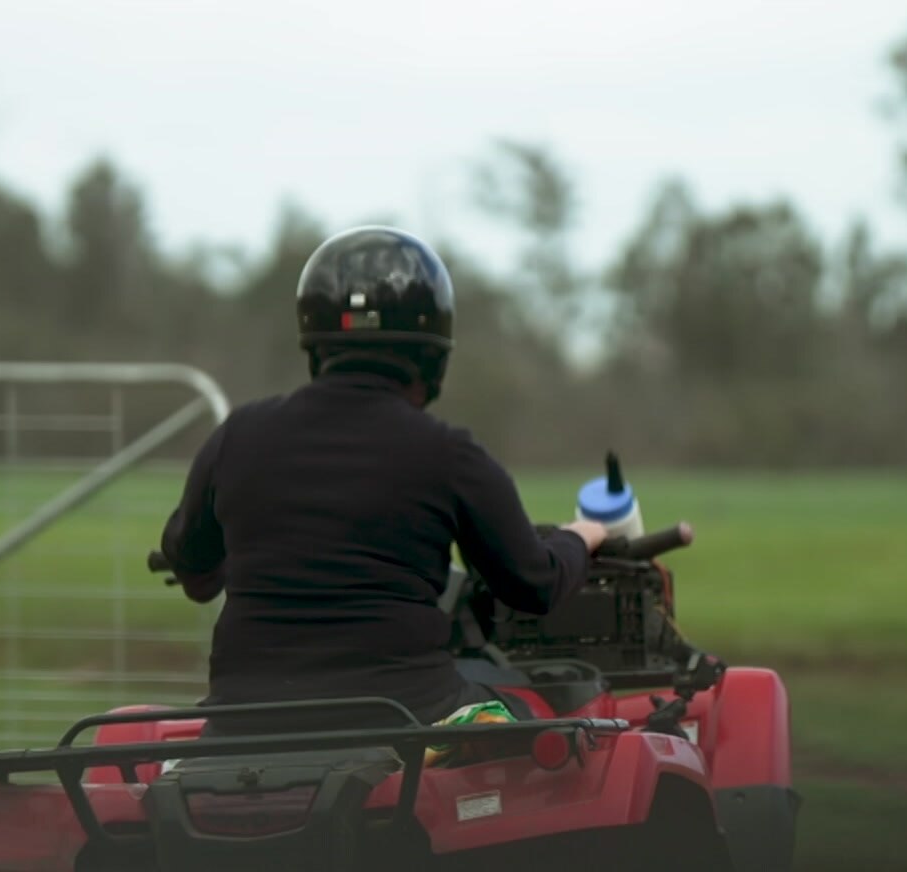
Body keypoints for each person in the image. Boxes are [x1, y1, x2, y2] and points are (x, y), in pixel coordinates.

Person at [156, 225, 609, 741]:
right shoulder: (447, 452)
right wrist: (582, 536)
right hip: (403, 715)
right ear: (433, 354)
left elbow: (191, 567)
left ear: (314, 341)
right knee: (541, 722)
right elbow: (536, 584)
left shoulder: (237, 434)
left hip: (243, 721)